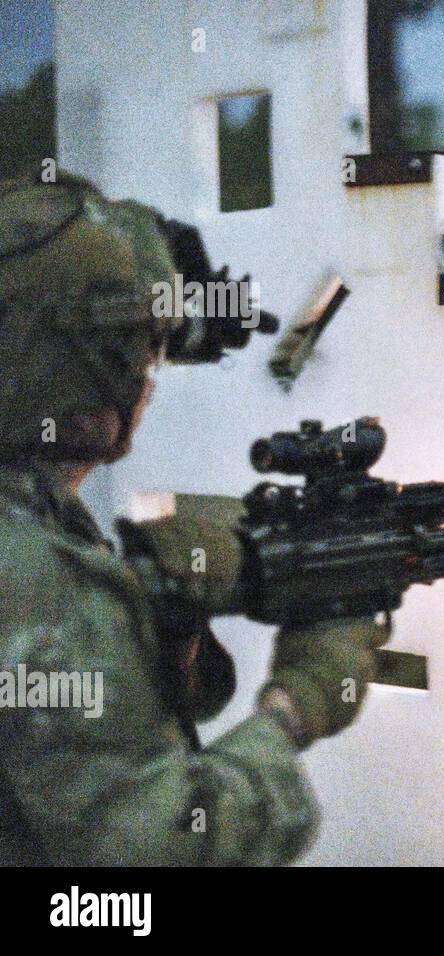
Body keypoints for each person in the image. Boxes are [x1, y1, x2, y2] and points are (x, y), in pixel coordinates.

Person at [0, 169, 387, 865]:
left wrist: (152, 615)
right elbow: (155, 854)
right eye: (147, 348)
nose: (152, 376)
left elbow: (54, 741)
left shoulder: (34, 516)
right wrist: (291, 712)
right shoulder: (36, 571)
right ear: (87, 366)